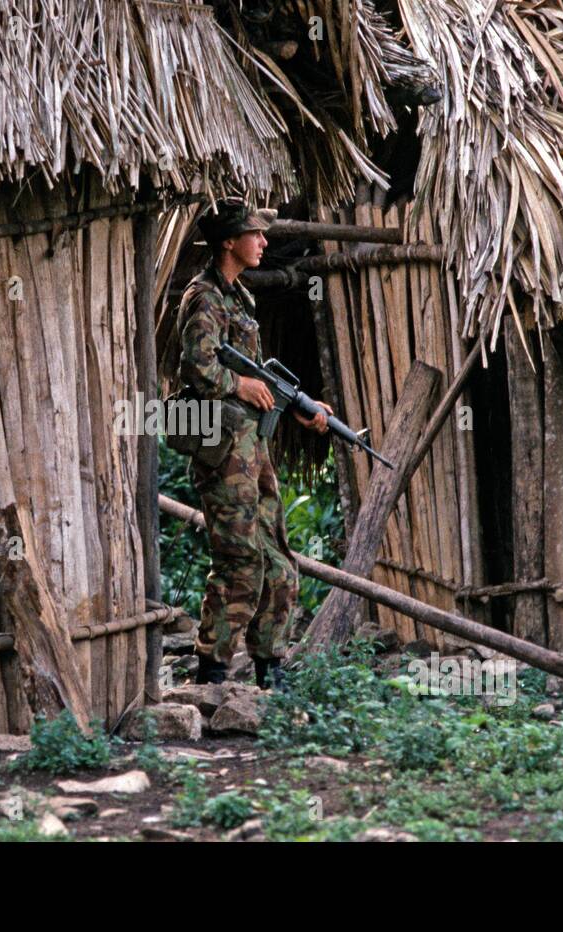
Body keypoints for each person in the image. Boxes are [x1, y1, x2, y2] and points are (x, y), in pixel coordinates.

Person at [174, 197, 333, 689]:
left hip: (252, 452)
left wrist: (302, 411)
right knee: (241, 561)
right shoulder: (204, 298)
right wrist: (237, 386)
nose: (264, 242)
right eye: (255, 235)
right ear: (228, 241)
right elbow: (200, 366)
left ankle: (271, 668)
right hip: (223, 454)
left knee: (280, 563)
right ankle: (213, 671)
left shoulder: (240, 298)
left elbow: (258, 383)